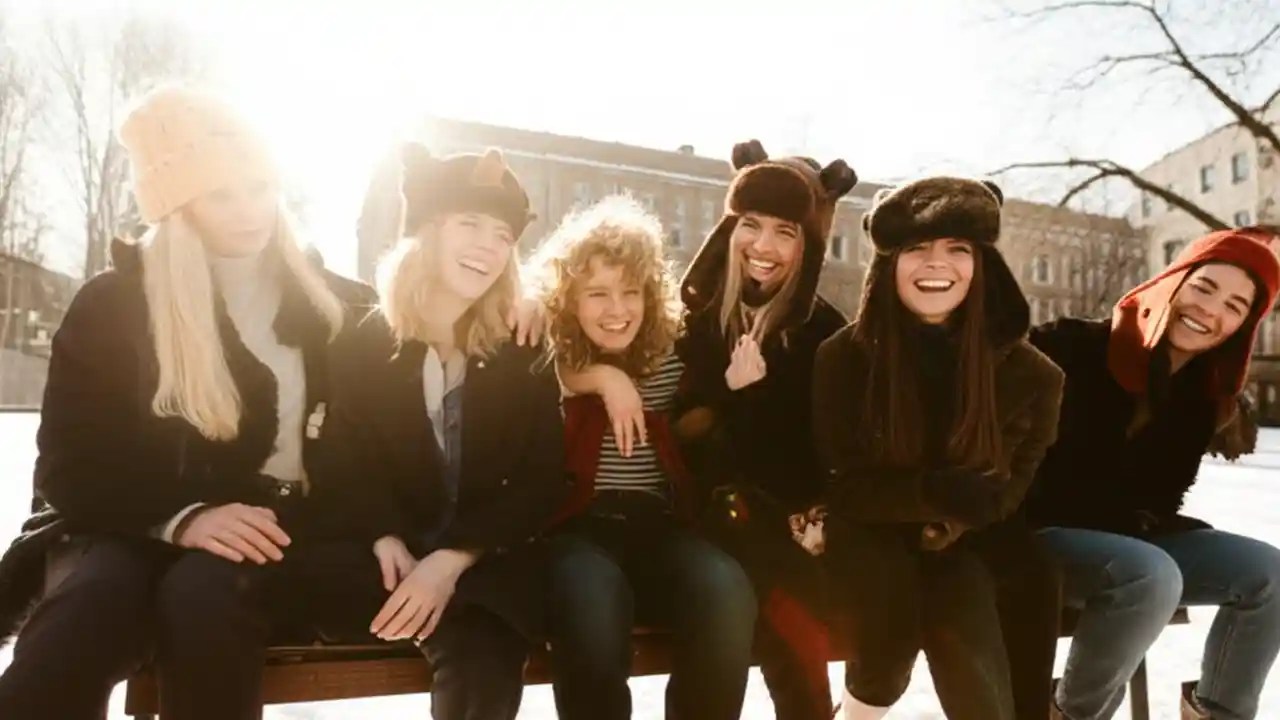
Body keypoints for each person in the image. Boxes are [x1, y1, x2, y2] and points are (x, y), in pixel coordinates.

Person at [0, 85, 374, 720]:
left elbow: (440, 329)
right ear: (180, 207)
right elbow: (69, 464)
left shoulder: (339, 304)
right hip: (130, 521)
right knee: (84, 620)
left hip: (277, 534)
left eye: (260, 186)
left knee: (207, 597)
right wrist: (184, 517)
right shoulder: (114, 305)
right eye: (222, 195)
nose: (250, 210)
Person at [277, 142, 569, 720]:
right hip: (383, 555)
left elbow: (542, 481)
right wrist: (383, 534)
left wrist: (455, 556)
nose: (489, 246)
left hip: (483, 564)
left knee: (483, 645)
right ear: (428, 231)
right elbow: (342, 456)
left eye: (504, 236)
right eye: (471, 224)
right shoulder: (364, 341)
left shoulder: (521, 348)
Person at [814, 176, 1065, 720]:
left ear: (981, 266)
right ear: (890, 263)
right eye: (917, 249)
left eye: (958, 249)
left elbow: (1010, 485)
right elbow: (843, 484)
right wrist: (932, 494)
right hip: (872, 533)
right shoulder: (843, 357)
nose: (937, 265)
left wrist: (952, 520)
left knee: (1002, 584)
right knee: (907, 604)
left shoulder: (1032, 374)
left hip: (973, 537)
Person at [1027, 226, 1280, 720]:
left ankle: (1218, 711)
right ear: (1173, 281)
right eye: (1204, 287)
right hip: (1033, 533)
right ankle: (1073, 713)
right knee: (1150, 572)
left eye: (1235, 306)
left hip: (1131, 541)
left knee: (1269, 573)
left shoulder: (1203, 396)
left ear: (1243, 327)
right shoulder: (1067, 345)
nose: (1210, 310)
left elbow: (1159, 499)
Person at [527, 194, 757, 720]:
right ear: (568, 298)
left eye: (631, 292)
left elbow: (706, 411)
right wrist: (600, 377)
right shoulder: (546, 347)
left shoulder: (669, 354)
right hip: (573, 529)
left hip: (658, 526)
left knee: (726, 588)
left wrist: (731, 394)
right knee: (592, 597)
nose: (617, 310)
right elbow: (525, 369)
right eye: (598, 294)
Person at [668, 139, 859, 720]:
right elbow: (679, 434)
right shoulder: (693, 313)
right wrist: (728, 393)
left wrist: (753, 400)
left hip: (783, 528)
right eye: (751, 225)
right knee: (732, 597)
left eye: (787, 231)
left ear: (811, 243)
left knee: (791, 618)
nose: (764, 247)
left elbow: (812, 460)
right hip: (692, 521)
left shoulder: (823, 331)